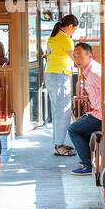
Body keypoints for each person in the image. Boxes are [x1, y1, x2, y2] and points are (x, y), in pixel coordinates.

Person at [67, 42, 105, 175]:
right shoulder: (91, 69)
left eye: (80, 56)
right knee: (82, 126)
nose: (77, 59)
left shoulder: (94, 72)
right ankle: (91, 160)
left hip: (102, 115)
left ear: (90, 56)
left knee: (73, 129)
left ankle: (87, 165)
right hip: (99, 112)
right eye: (75, 56)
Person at [44, 15, 79, 157]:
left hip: (51, 74)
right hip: (60, 75)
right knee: (63, 111)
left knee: (57, 111)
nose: (74, 32)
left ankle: (58, 143)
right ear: (70, 26)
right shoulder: (65, 39)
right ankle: (59, 146)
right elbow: (76, 58)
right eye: (74, 29)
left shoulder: (53, 36)